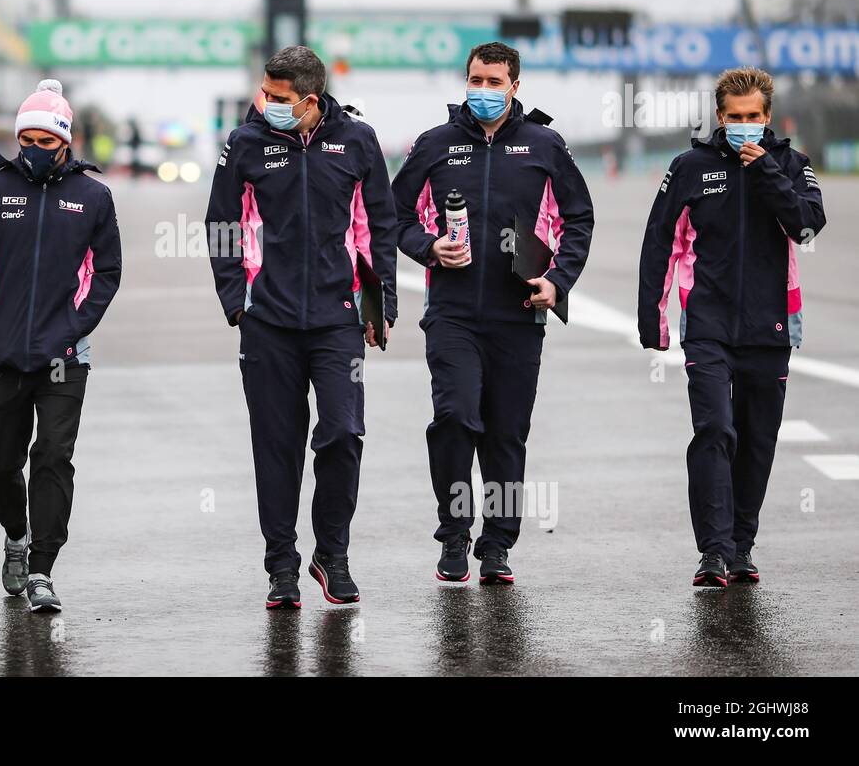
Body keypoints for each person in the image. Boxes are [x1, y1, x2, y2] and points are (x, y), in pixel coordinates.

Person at [392, 41, 594, 585]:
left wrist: (557, 281)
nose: (483, 90)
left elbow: (580, 219)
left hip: (519, 315)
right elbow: (392, 214)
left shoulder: (544, 145)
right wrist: (428, 247)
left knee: (506, 434)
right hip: (452, 314)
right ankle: (454, 533)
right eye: (475, 80)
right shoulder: (435, 144)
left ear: (515, 86)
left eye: (494, 81)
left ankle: (498, 544)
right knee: (456, 418)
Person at [206, 45, 398, 609]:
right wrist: (235, 300)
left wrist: (378, 304)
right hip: (267, 322)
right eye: (265, 93)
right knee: (276, 447)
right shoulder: (244, 144)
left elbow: (377, 224)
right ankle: (282, 566)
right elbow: (222, 224)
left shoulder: (358, 141)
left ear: (310, 100)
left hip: (338, 321)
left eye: (279, 98)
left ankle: (331, 554)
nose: (266, 104)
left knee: (343, 433)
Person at [638, 67, 825, 587]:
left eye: (754, 118)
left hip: (772, 326)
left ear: (767, 118)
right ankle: (714, 553)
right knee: (715, 430)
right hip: (708, 325)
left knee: (758, 440)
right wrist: (651, 321)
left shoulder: (792, 164)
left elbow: (807, 225)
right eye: (735, 118)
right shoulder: (689, 167)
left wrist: (766, 169)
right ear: (720, 117)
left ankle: (742, 547)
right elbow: (659, 245)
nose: (745, 126)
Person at [0, 79, 121, 613]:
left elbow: (105, 273)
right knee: (0, 464)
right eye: (25, 138)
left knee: (52, 456)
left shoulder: (93, 197)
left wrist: (72, 329)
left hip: (64, 358)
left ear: (65, 143)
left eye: (44, 141)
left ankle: (43, 569)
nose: (33, 148)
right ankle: (16, 534)